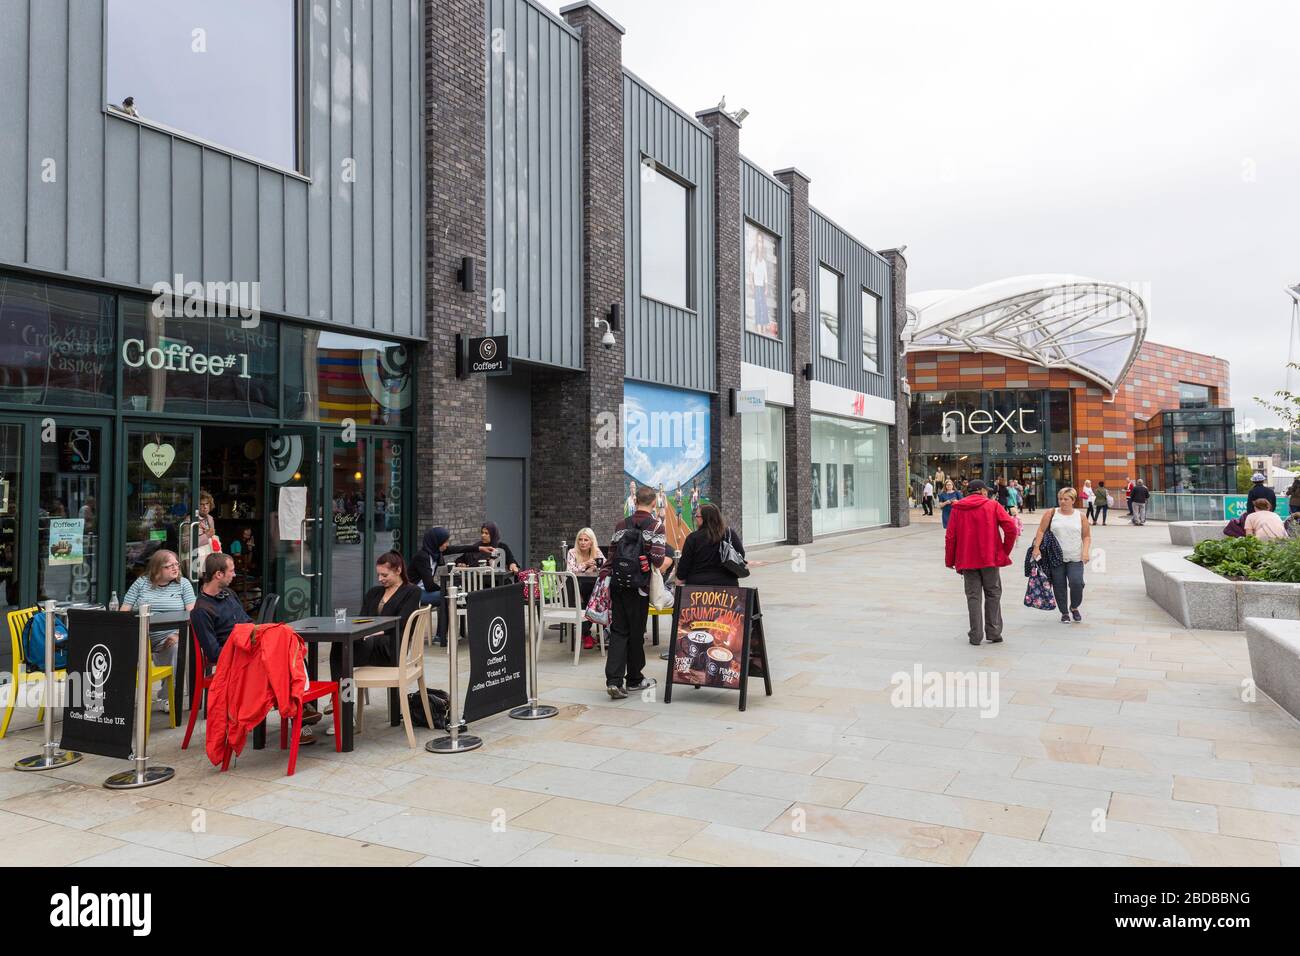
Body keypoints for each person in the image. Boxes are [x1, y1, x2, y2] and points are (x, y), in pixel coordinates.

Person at [604, 485, 670, 699]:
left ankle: (614, 680)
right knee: (636, 633)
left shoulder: (621, 524)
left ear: (634, 502)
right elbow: (658, 560)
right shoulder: (656, 525)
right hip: (639, 587)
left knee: (618, 631)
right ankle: (634, 679)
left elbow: (611, 555)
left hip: (618, 584)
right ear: (653, 503)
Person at [945, 479, 1019, 646]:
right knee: (993, 594)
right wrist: (1003, 551)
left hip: (967, 559)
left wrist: (950, 560)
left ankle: (975, 635)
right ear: (981, 491)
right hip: (990, 559)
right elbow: (1011, 528)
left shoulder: (957, 508)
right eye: (986, 490)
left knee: (973, 596)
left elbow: (950, 536)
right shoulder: (992, 506)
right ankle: (993, 632)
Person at [330, 551, 422, 684]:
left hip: (391, 647)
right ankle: (340, 696)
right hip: (369, 643)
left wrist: (373, 633)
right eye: (378, 574)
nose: (380, 579)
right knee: (339, 644)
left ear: (398, 570)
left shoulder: (412, 591)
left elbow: (403, 622)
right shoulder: (374, 592)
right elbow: (362, 619)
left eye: (384, 575)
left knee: (344, 652)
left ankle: (342, 696)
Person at [121, 549, 195, 712]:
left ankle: (169, 697)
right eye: (170, 566)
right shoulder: (141, 583)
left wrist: (178, 634)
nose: (176, 568)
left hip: (169, 636)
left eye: (177, 564)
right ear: (157, 569)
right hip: (140, 636)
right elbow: (124, 610)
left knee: (176, 648)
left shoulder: (183, 584)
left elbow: (193, 614)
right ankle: (119, 697)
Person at [1031, 486, 1091, 624]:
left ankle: (1074, 607)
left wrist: (1085, 552)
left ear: (1073, 500)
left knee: (1077, 583)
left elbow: (1086, 536)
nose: (1062, 501)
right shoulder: (1051, 513)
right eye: (1060, 499)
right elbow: (1041, 530)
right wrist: (1036, 548)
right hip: (1055, 557)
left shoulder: (1080, 516)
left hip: (1075, 557)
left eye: (1066, 499)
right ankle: (1064, 612)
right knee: (1059, 585)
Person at [409, 527, 477, 645]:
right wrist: (445, 590)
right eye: (445, 541)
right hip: (413, 593)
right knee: (445, 596)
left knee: (445, 595)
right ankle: (440, 637)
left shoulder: (435, 552)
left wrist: (479, 548)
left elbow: (458, 549)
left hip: (422, 590)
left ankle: (441, 635)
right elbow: (429, 586)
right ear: (436, 541)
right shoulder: (423, 557)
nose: (447, 544)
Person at [191, 553, 252, 665]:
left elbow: (247, 621)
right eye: (231, 571)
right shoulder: (201, 610)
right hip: (236, 660)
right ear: (219, 574)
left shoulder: (229, 593)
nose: (234, 575)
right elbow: (214, 654)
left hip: (249, 646)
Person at [675, 503, 745, 586]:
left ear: (705, 518)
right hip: (727, 585)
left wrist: (679, 580)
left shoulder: (693, 538)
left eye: (697, 516)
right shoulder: (729, 534)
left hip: (698, 588)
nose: (695, 519)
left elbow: (684, 566)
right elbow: (741, 554)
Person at [566, 527, 605, 650]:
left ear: (591, 542)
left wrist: (594, 568)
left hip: (590, 588)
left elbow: (605, 566)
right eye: (580, 540)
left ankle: (599, 634)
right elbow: (570, 571)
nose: (582, 542)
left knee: (597, 597)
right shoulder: (572, 552)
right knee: (588, 602)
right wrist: (586, 564)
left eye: (586, 540)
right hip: (574, 588)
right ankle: (586, 634)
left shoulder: (596, 552)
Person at [455, 522, 520, 573]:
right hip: (479, 583)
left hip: (498, 583)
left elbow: (511, 561)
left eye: (486, 533)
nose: (483, 535)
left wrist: (512, 565)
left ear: (493, 534)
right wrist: (461, 564)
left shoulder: (502, 546)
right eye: (482, 533)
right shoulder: (476, 547)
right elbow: (459, 559)